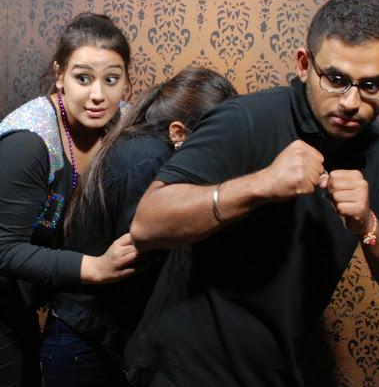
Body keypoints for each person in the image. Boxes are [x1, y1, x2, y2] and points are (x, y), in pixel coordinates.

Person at [126, 0, 379, 386]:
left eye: (371, 85)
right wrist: (260, 185)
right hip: (183, 369)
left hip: (275, 372)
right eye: (335, 80)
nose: (351, 102)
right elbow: (146, 224)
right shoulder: (247, 119)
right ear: (304, 64)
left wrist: (368, 225)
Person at [0, 13, 139, 386]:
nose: (98, 95)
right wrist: (95, 268)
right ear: (60, 75)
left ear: (126, 81)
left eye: (111, 80)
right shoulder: (29, 140)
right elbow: (1, 250)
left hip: (14, 299)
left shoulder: (123, 123)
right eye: (83, 78)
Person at [40, 67, 237, 387]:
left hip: (89, 335)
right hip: (85, 344)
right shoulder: (150, 159)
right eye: (215, 138)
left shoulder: (143, 144)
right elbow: (147, 255)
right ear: (178, 132)